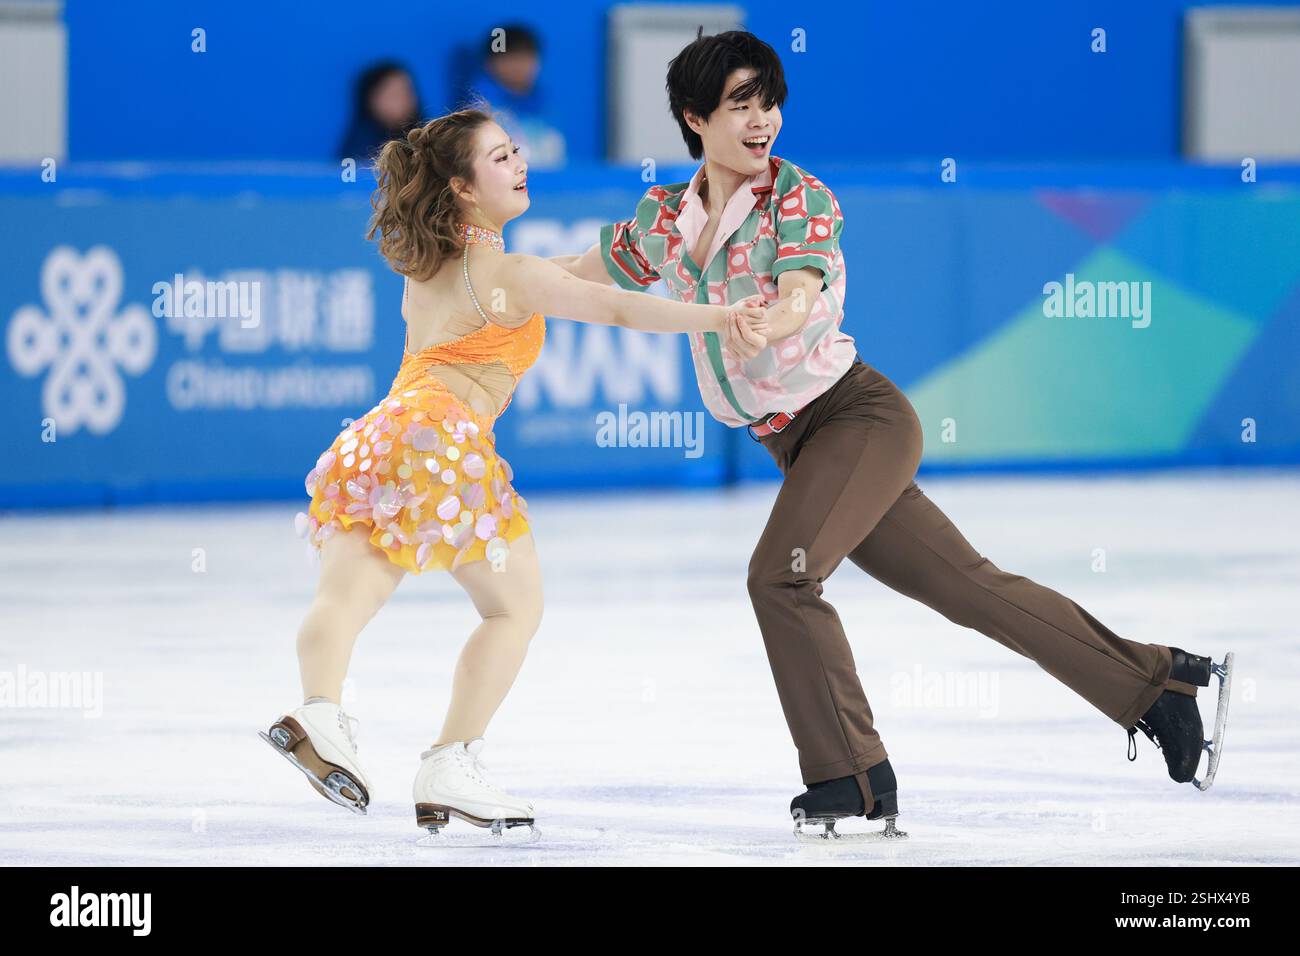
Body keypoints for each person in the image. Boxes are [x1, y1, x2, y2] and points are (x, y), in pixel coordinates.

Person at [555, 30, 1233, 839]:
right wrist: (489, 281)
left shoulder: (797, 197)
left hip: (856, 418)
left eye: (769, 101)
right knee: (972, 590)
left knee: (782, 578)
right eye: (742, 103)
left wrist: (770, 320)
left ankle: (851, 777)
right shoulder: (665, 216)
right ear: (695, 117)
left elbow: (801, 290)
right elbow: (581, 275)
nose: (763, 118)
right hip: (797, 443)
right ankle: (1158, 687)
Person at [264, 107, 767, 840]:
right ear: (465, 189)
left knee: (347, 596)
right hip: (443, 441)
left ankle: (317, 712)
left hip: (378, 440)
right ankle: (449, 762)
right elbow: (615, 309)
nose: (520, 163)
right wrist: (721, 317)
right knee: (513, 610)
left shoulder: (429, 268)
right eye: (501, 158)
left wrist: (652, 237)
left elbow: (571, 274)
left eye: (516, 151)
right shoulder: (510, 272)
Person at [464, 24, 565, 169]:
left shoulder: (546, 105)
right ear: (489, 63)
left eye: (526, 57)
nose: (519, 65)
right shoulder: (478, 109)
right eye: (510, 57)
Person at [337, 61, 424, 162]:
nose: (403, 100)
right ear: (371, 100)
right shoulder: (357, 151)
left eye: (407, 92)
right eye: (394, 94)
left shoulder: (429, 141)